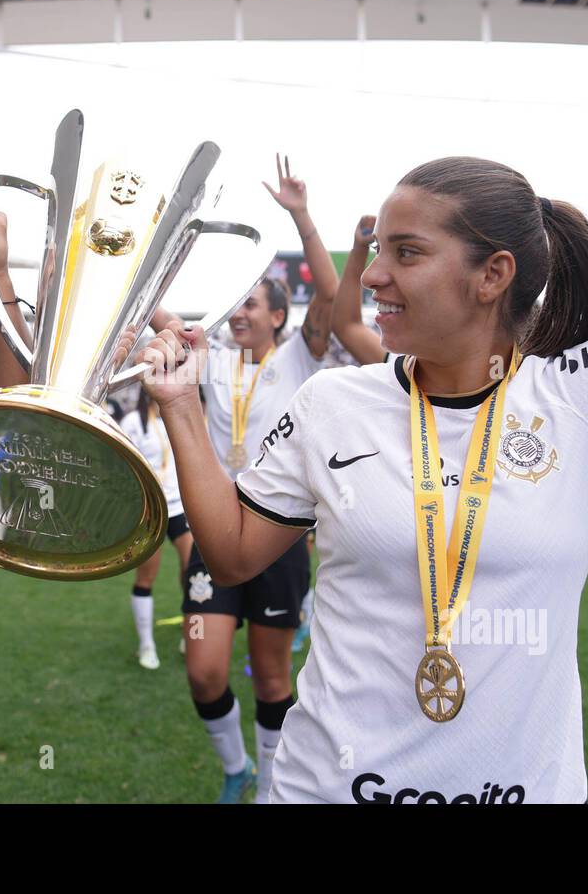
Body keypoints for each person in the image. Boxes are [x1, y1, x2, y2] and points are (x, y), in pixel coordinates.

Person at [134, 0, 588, 803]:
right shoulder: (335, 405)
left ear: (492, 274)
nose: (378, 275)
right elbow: (234, 550)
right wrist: (181, 406)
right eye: (377, 250)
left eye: (407, 251)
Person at [144, 154, 341, 803]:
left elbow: (336, 304)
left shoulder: (300, 357)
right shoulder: (215, 354)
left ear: (279, 316)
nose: (238, 313)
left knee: (272, 678)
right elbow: (155, 308)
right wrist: (147, 241)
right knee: (203, 671)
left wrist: (303, 218)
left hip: (277, 538)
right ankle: (236, 767)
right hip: (214, 529)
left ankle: (272, 784)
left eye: (252, 303)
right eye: (236, 304)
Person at [118, 390, 194, 669]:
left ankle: (190, 632)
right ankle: (146, 645)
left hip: (178, 506)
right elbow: (123, 466)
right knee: (147, 576)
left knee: (192, 569)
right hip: (149, 510)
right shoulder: (133, 422)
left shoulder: (177, 415)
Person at [330, 214, 388, 365]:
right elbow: (347, 326)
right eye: (378, 250)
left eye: (406, 253)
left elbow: (347, 326)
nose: (367, 278)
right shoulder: (403, 367)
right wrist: (359, 247)